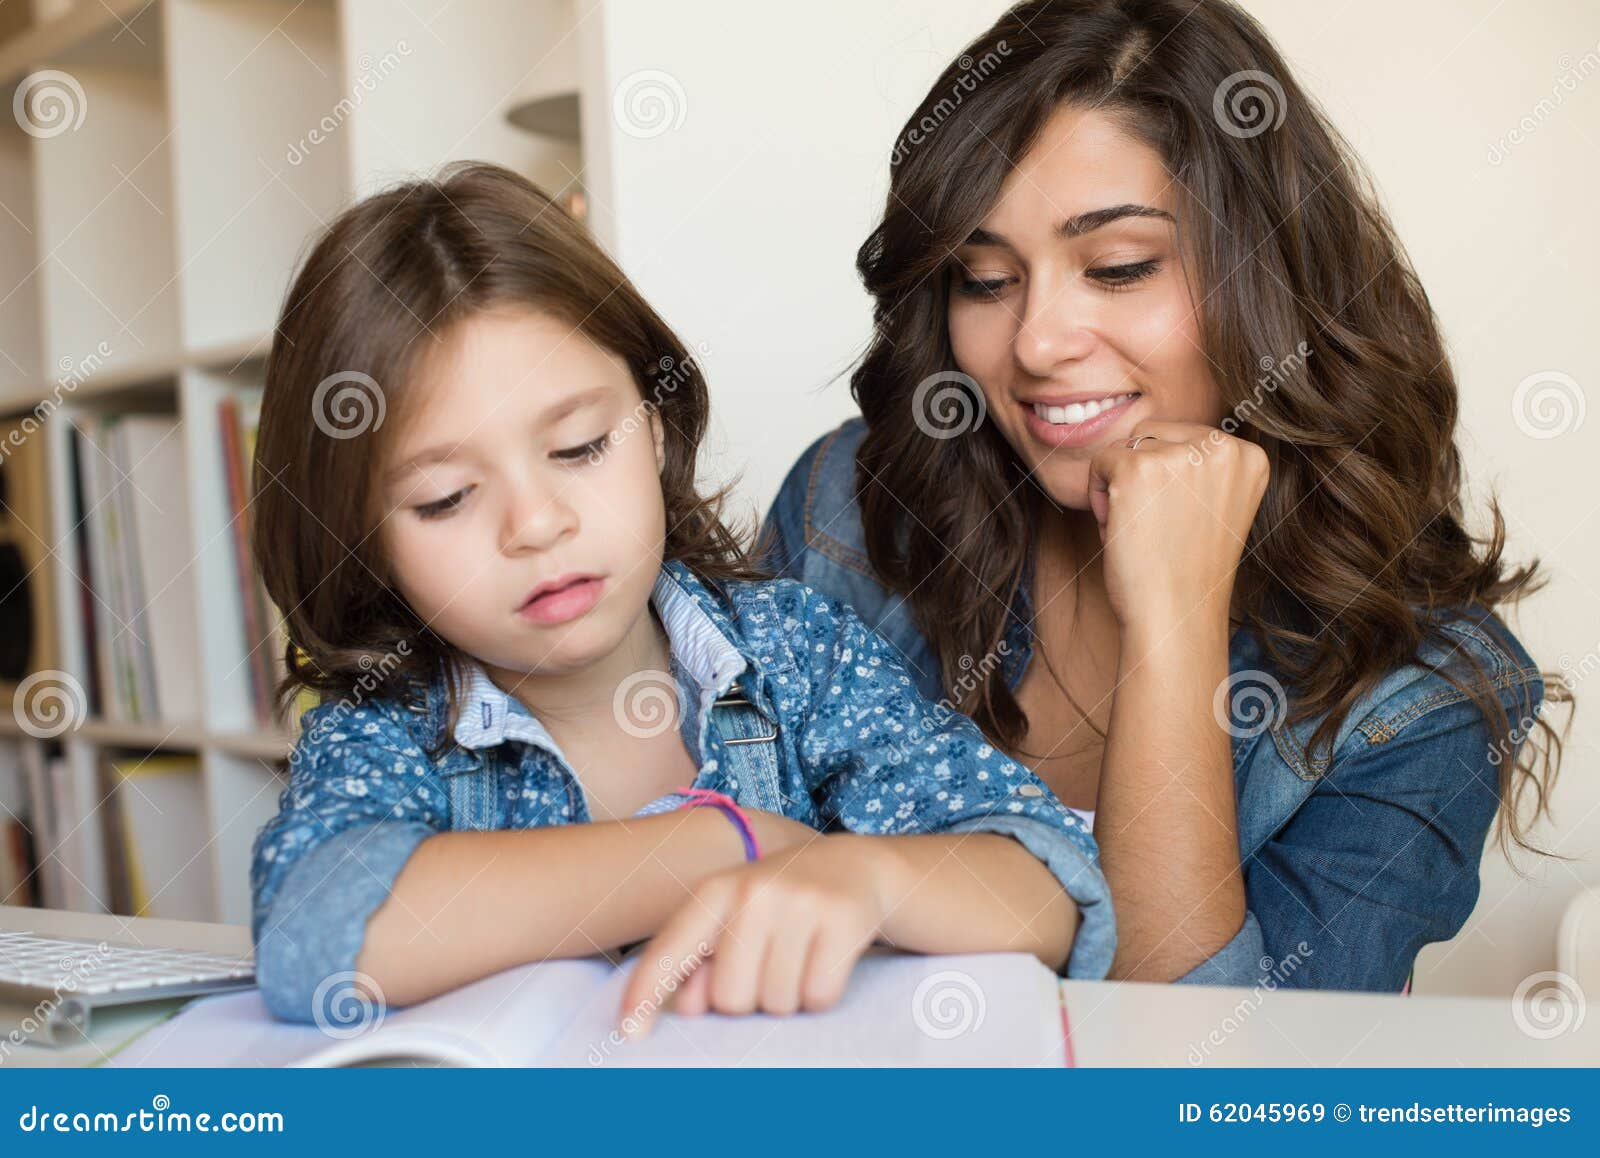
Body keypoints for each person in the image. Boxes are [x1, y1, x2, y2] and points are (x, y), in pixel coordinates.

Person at [764, 0, 1563, 991]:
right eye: (983, 278)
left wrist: (1176, 624)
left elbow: (1206, 1092)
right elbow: (691, 874)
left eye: (1118, 266)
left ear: (1265, 275)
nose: (1035, 343)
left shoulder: (1419, 699)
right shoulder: (845, 510)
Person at [247, 161, 1113, 1028]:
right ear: (365, 541)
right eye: (445, 499)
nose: (536, 525)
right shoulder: (389, 721)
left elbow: (1048, 884)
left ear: (654, 427)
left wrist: (869, 879)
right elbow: (315, 935)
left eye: (581, 446)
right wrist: (727, 844)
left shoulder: (795, 656)